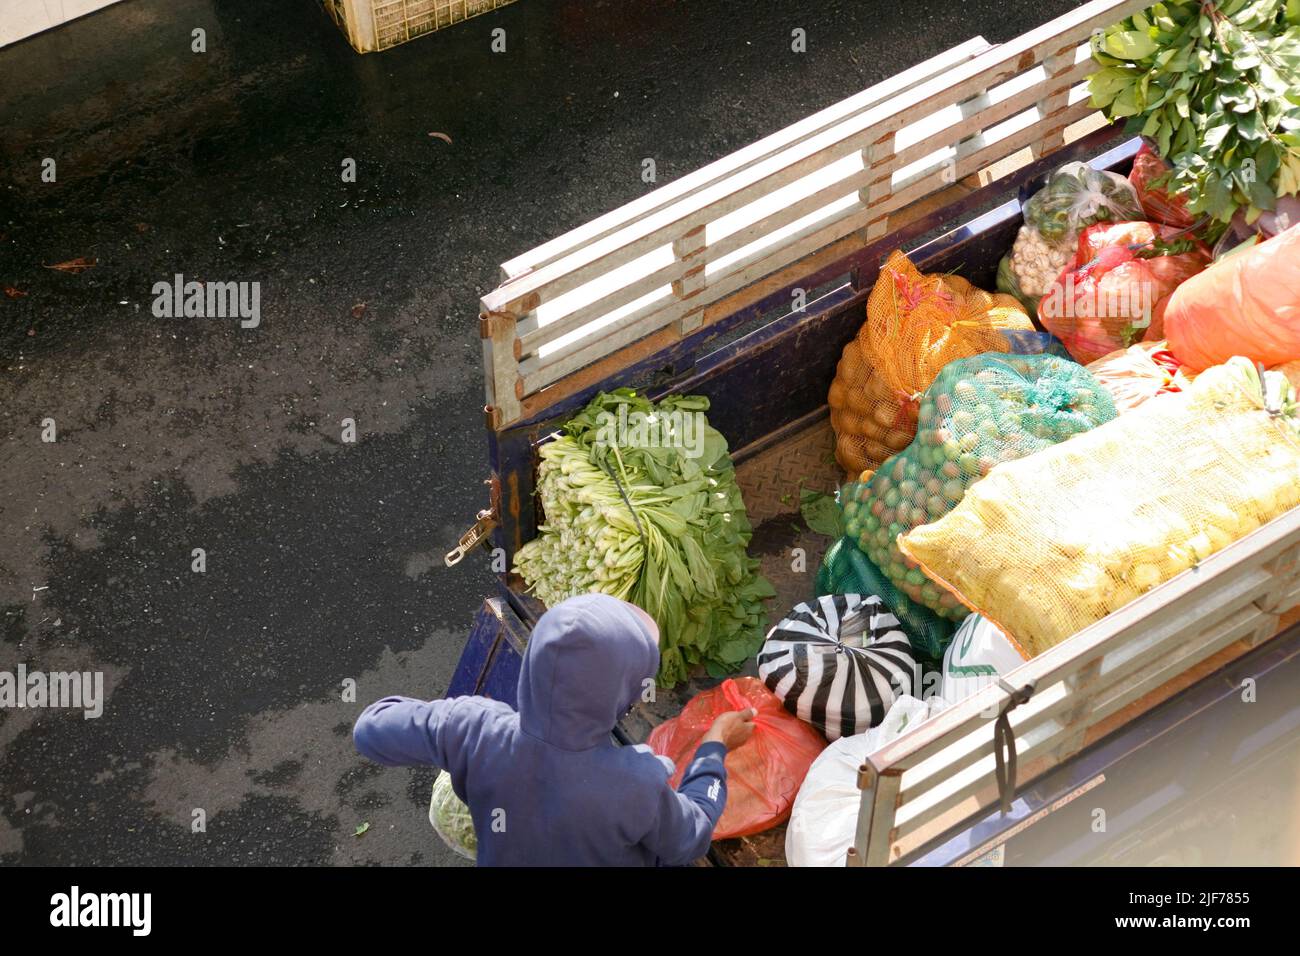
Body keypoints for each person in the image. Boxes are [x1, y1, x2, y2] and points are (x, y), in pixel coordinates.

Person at [353, 593, 755, 866]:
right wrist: (714, 748)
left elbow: (369, 730)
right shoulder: (635, 785)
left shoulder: (475, 729)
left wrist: (452, 723)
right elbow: (691, 838)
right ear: (625, 699)